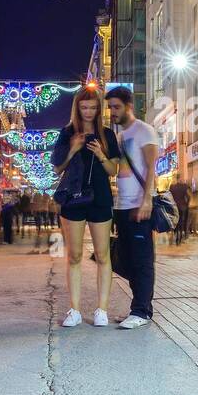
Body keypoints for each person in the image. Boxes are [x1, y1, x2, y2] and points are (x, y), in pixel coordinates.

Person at [50, 88, 120, 327]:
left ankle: (102, 310)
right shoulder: (67, 133)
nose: (88, 112)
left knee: (103, 254)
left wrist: (101, 154)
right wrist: (72, 148)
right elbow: (58, 168)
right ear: (77, 109)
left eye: (92, 107)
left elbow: (114, 171)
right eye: (84, 108)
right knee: (75, 255)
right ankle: (75, 310)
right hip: (73, 198)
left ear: (98, 109)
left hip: (100, 197)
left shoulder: (107, 135)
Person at [106, 86, 158, 329]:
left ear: (129, 106)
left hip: (139, 206)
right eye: (110, 107)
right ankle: (139, 308)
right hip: (123, 207)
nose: (112, 112)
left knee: (142, 260)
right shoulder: (120, 137)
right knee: (125, 258)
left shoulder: (144, 131)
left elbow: (150, 168)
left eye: (116, 107)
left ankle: (141, 311)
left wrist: (146, 199)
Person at [169, 176, 191, 245]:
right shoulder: (185, 186)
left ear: (176, 179)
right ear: (181, 179)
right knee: (182, 221)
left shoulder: (172, 187)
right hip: (182, 207)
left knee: (175, 222)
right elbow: (189, 196)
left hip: (174, 207)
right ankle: (180, 237)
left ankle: (175, 235)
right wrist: (187, 204)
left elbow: (169, 196)